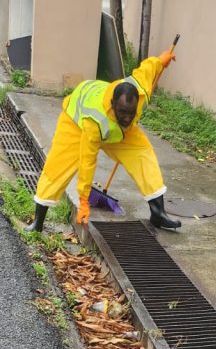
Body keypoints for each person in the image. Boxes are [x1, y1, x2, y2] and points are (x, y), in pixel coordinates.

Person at [31, 46, 181, 233]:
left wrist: (162, 59)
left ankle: (158, 213)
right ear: (112, 106)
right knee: (58, 167)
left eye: (131, 113)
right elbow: (88, 161)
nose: (127, 118)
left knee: (143, 154)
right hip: (76, 123)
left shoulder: (140, 89)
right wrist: (84, 200)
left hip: (117, 131)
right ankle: (37, 222)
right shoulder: (95, 121)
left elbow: (147, 68)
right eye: (123, 112)